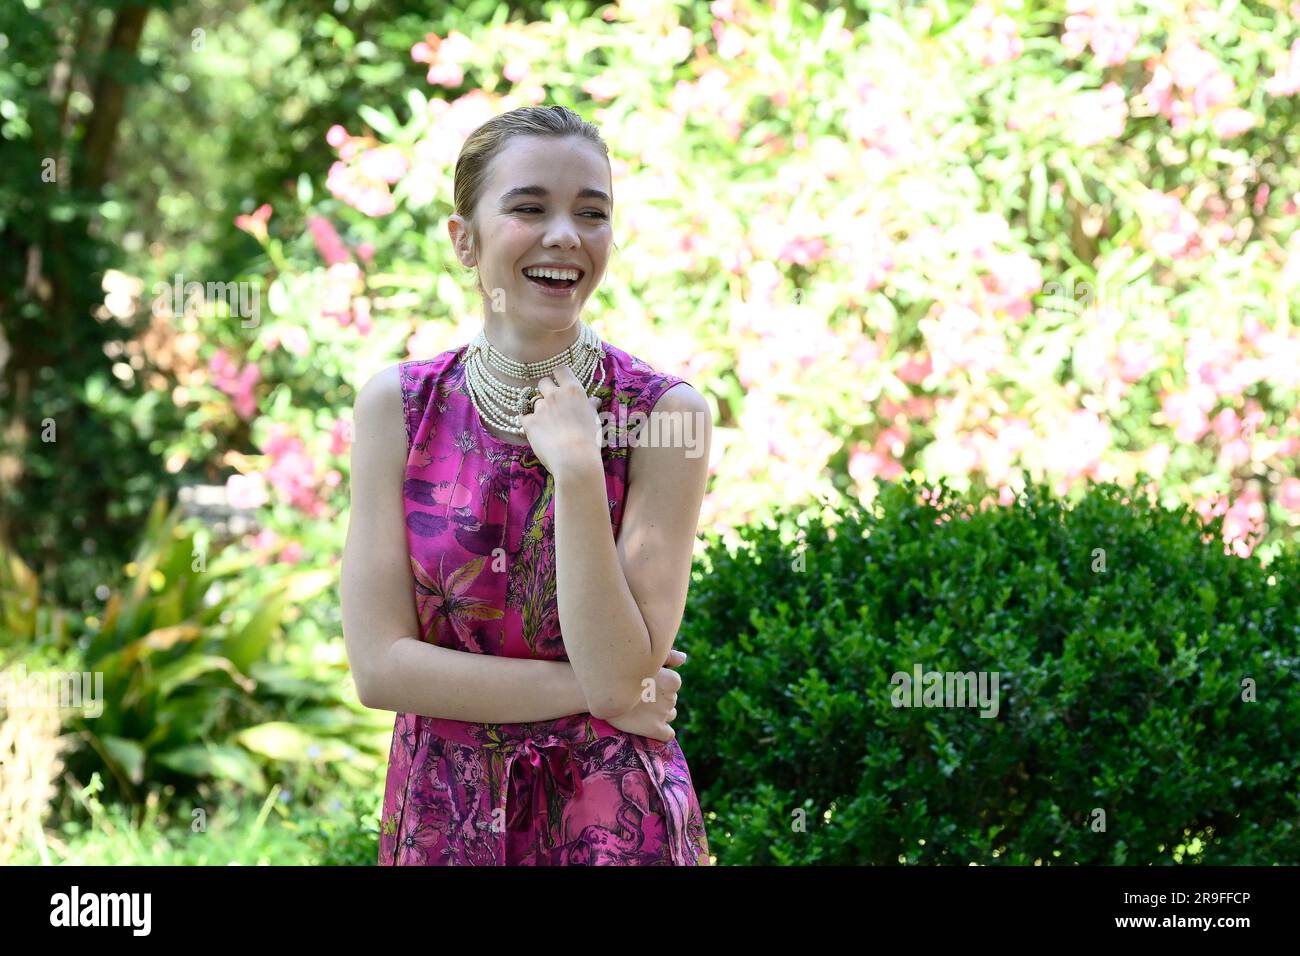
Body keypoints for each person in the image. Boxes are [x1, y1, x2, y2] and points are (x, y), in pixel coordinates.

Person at [341, 105, 713, 865]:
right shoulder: (398, 406)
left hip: (611, 819)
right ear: (464, 240)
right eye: (529, 207)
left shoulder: (665, 416)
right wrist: (597, 691)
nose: (565, 235)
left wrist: (578, 471)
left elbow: (623, 680)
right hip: (443, 816)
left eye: (591, 212)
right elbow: (380, 668)